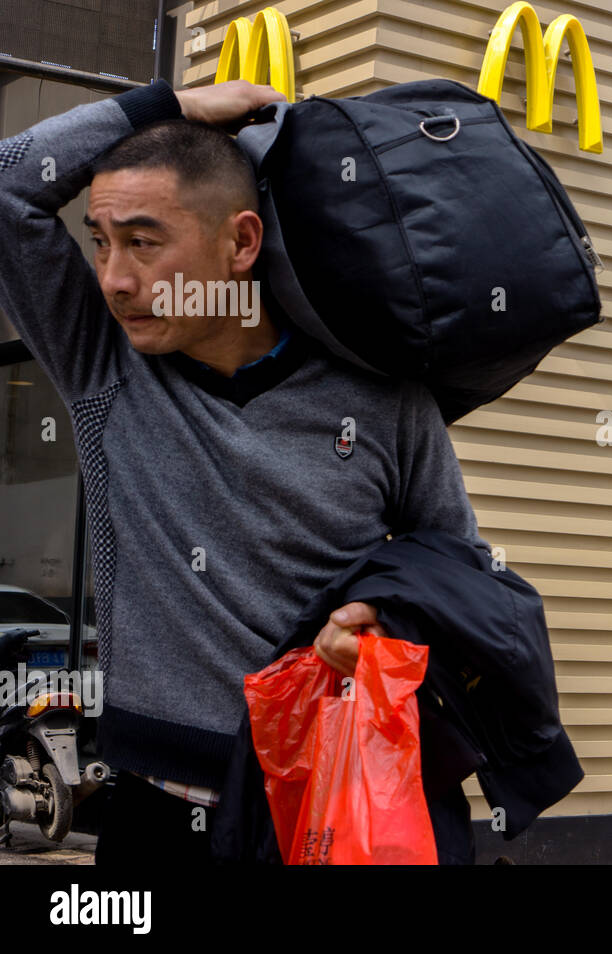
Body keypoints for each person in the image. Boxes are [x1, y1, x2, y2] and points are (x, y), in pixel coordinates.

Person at [0, 78, 486, 863]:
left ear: (242, 243)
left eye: (144, 241)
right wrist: (175, 106)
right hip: (152, 816)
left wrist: (380, 624)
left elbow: (459, 579)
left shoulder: (385, 401)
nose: (114, 279)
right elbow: (7, 182)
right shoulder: (104, 369)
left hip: (326, 808)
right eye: (99, 241)